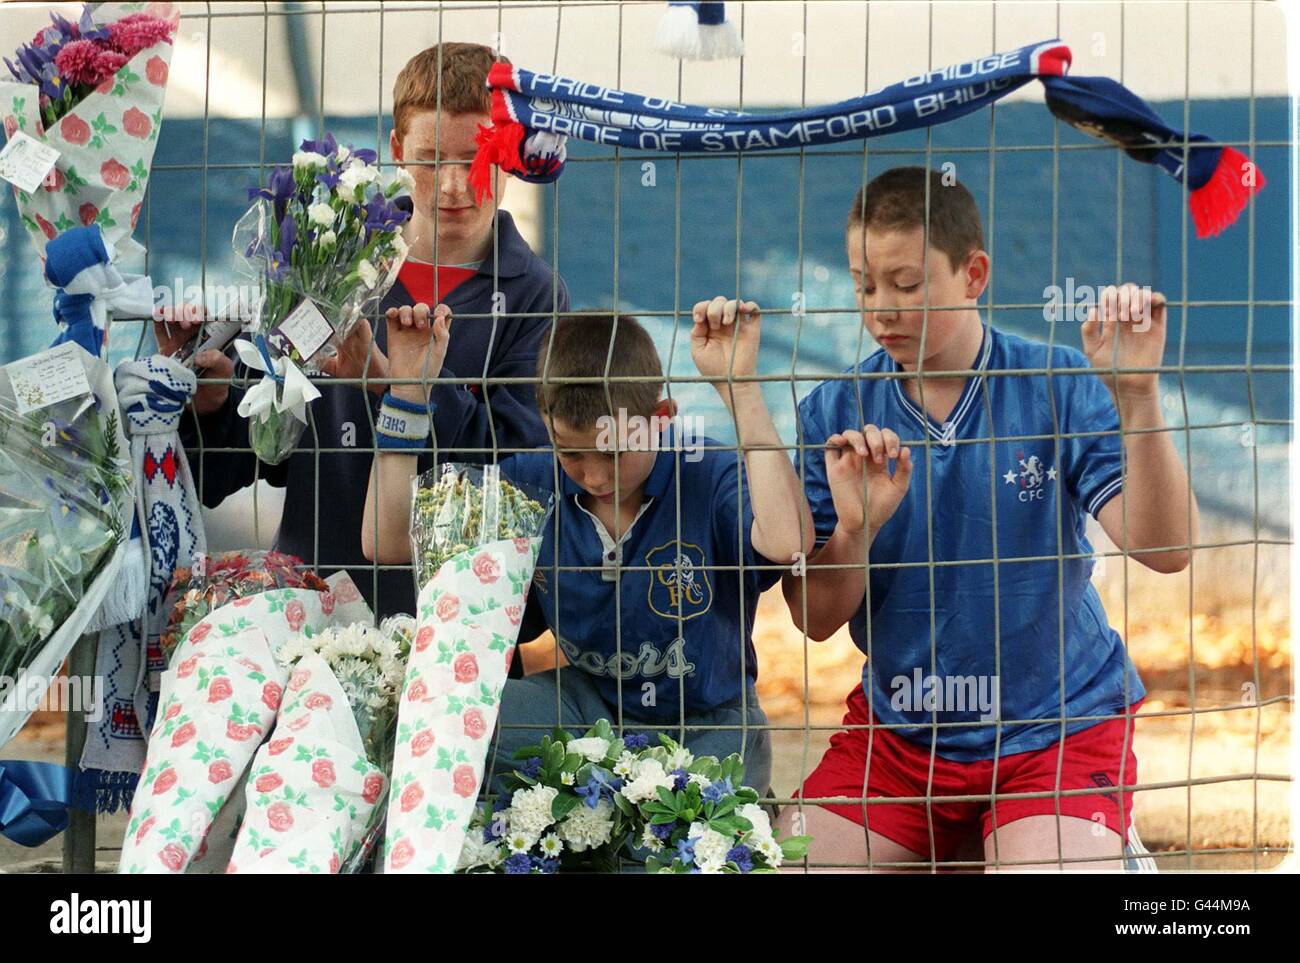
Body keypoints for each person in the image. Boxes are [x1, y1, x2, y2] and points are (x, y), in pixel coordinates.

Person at [779, 166, 1198, 871]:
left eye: (906, 284)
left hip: (1056, 731)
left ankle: (1089, 840)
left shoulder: (1056, 384)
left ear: (973, 274)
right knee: (776, 865)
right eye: (863, 283)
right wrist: (854, 532)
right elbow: (815, 619)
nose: (881, 308)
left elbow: (1166, 550)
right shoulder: (834, 411)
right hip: (904, 740)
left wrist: (1138, 395)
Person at [155, 42, 567, 618]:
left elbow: (520, 473)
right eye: (429, 159)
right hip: (310, 612)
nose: (454, 186)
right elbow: (242, 465)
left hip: (461, 629)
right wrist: (214, 405)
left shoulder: (536, 294)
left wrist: (391, 383)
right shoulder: (328, 261)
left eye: (477, 157)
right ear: (397, 150)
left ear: (511, 150)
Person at [361, 302, 814, 799]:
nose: (595, 477)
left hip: (708, 725)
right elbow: (386, 542)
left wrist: (739, 387)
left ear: (660, 419)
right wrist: (406, 392)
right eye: (571, 453)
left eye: (616, 453)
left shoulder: (709, 470)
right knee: (437, 717)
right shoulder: (531, 483)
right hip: (586, 711)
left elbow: (789, 543)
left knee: (681, 841)